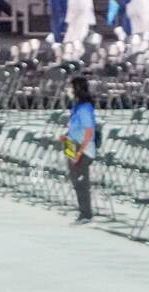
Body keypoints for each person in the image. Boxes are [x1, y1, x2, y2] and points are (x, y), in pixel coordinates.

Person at [64, 76, 97, 224]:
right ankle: (82, 210)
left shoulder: (84, 108)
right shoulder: (75, 106)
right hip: (70, 143)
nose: (68, 90)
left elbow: (89, 132)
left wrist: (79, 152)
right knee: (74, 180)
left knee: (81, 181)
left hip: (82, 148)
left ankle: (86, 213)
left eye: (71, 87)